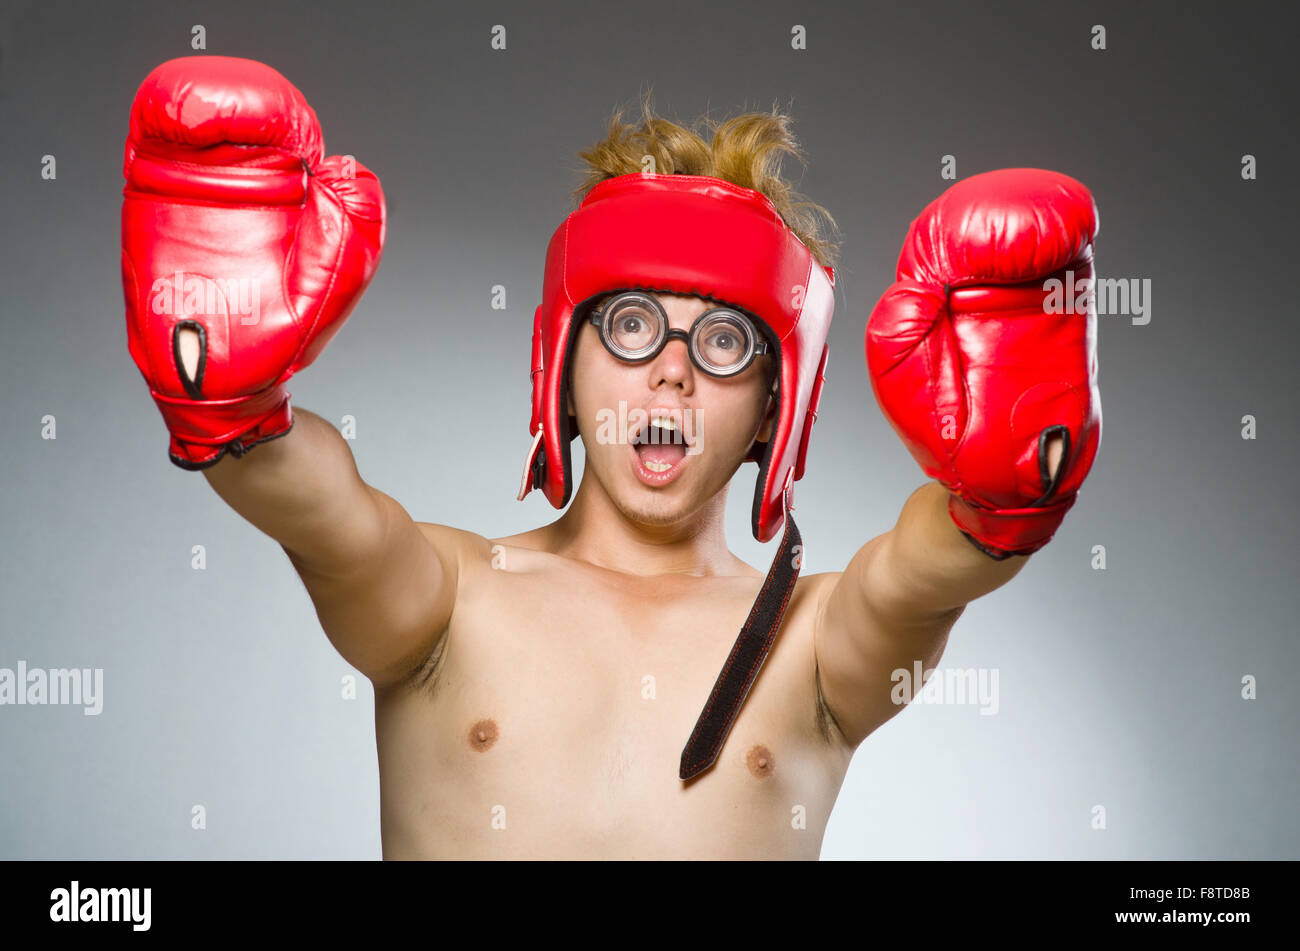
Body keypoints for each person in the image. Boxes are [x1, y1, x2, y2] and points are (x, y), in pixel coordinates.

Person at [121, 57, 1100, 860]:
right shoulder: (451, 595)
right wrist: (225, 399)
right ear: (563, 365)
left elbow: (926, 576)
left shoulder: (815, 642)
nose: (670, 374)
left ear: (774, 409)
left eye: (723, 342)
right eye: (631, 326)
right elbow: (316, 508)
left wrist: (1005, 492)